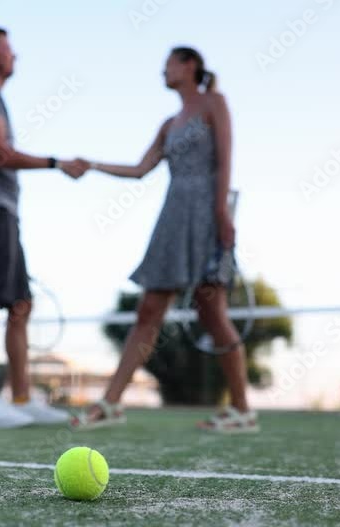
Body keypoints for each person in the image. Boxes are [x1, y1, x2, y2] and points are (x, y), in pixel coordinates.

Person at [71, 47, 258, 433]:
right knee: (148, 309)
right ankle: (110, 404)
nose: (163, 70)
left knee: (212, 311)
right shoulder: (168, 124)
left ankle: (242, 410)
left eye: (169, 63)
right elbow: (140, 169)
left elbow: (226, 158)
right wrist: (91, 165)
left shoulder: (214, 102)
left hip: (207, 213)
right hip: (173, 218)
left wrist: (222, 212)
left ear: (190, 66)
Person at [0, 27, 88, 428]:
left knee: (20, 305)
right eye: (8, 48)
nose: (15, 55)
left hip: (4, 211)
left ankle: (22, 396)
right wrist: (56, 163)